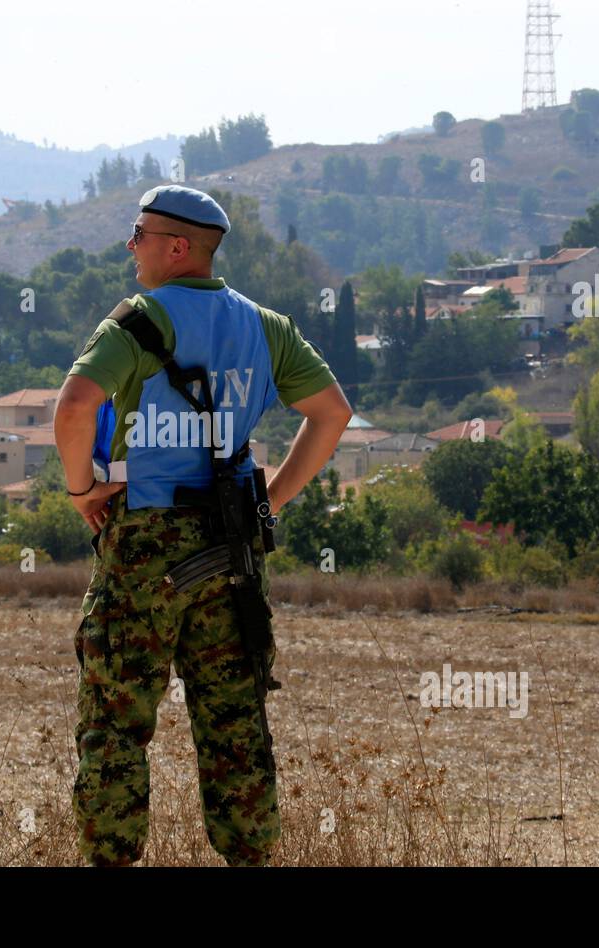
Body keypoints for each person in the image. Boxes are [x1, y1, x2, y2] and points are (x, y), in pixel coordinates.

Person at [53, 184, 352, 866]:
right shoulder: (266, 327)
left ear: (178, 246)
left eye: (140, 233)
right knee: (234, 720)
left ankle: (110, 858)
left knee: (116, 721)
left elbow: (74, 407)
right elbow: (331, 413)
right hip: (231, 543)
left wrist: (80, 491)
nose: (131, 246)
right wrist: (271, 502)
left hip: (146, 539)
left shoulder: (138, 320)